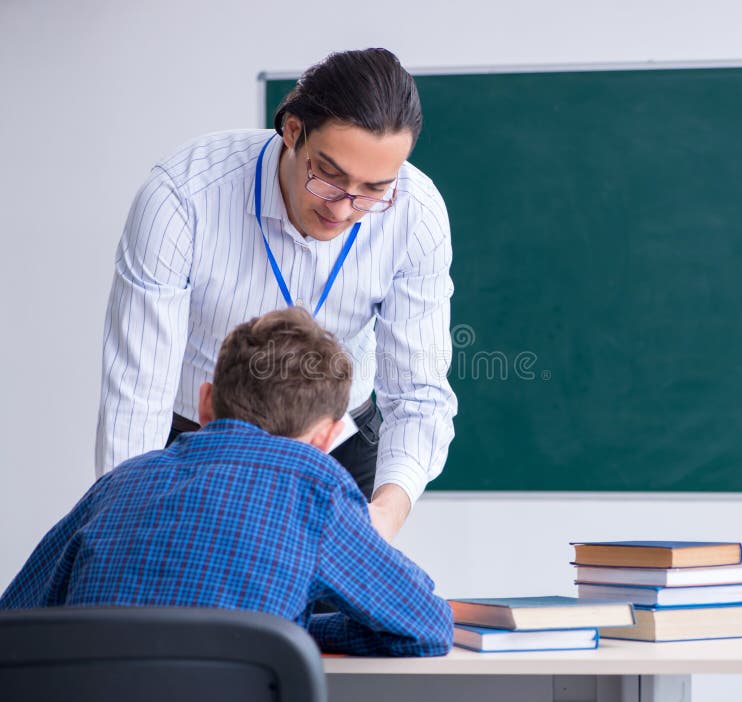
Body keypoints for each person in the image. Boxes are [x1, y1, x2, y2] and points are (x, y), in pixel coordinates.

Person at [95, 48, 457, 542]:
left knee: (335, 619)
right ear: (291, 131)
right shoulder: (183, 198)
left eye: (373, 189)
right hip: (202, 442)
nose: (346, 208)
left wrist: (384, 518)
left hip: (337, 444)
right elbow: (137, 394)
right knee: (190, 608)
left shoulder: (415, 215)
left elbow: (418, 393)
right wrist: (127, 530)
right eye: (328, 176)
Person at [1, 308, 453, 657]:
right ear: (327, 438)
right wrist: (287, 632)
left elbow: (14, 622)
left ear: (204, 403)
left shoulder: (120, 483)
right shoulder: (317, 493)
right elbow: (425, 624)